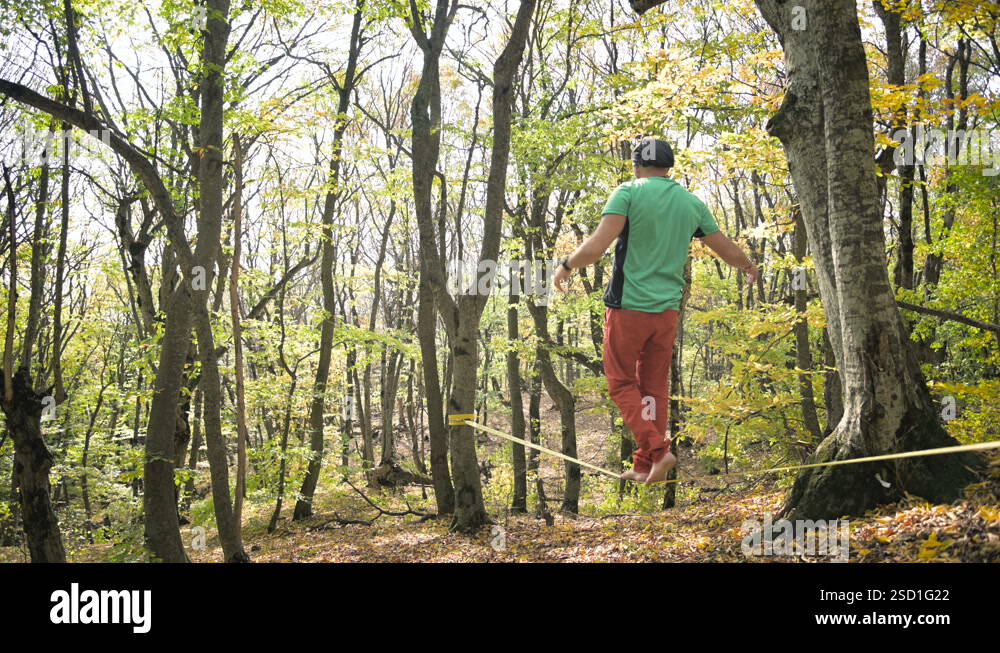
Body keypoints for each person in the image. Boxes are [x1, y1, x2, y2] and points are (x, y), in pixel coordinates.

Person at [553, 137, 760, 484]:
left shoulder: (629, 192)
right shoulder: (691, 202)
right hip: (666, 312)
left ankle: (658, 452)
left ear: (637, 166)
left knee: (620, 382)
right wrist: (749, 266)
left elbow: (598, 247)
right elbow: (724, 248)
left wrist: (566, 265)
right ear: (669, 167)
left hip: (628, 308)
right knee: (652, 385)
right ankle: (645, 463)